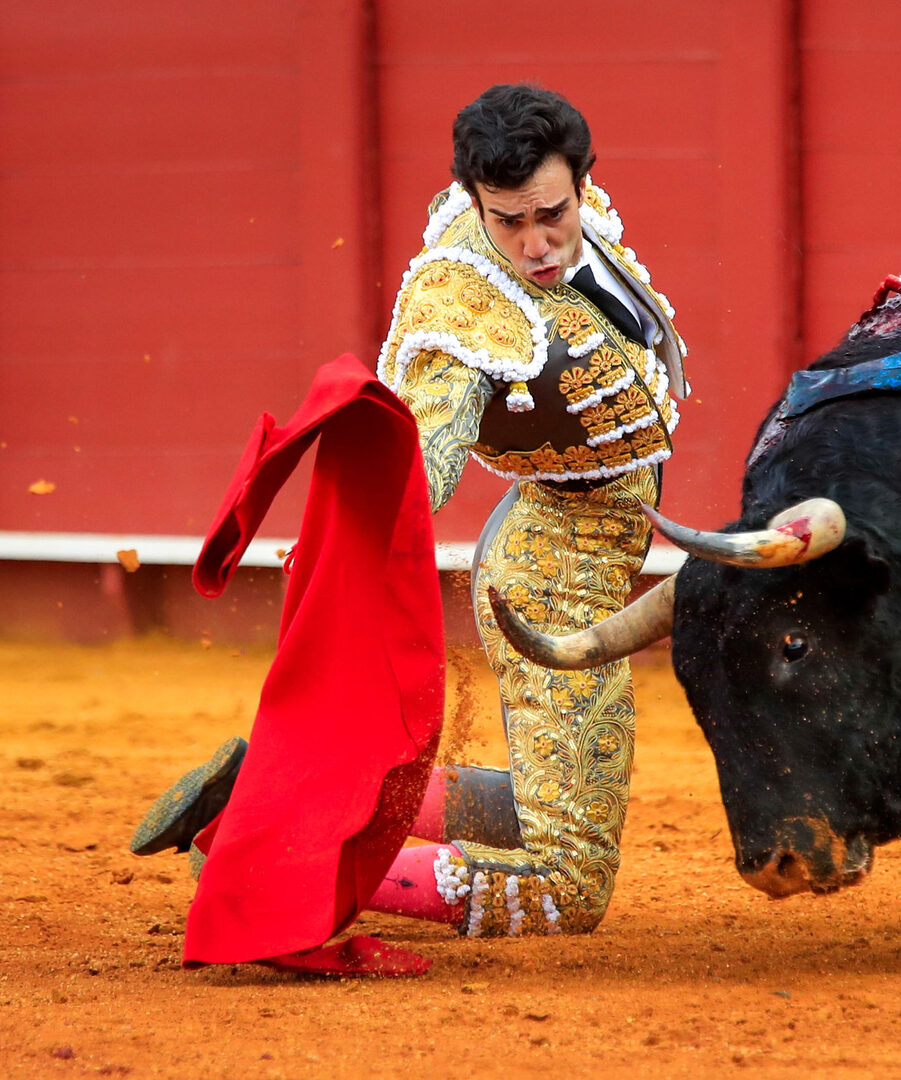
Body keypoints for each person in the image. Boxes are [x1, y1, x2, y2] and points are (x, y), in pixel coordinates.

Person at [134, 83, 689, 947]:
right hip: (554, 580)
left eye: (552, 214)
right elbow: (426, 444)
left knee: (547, 798)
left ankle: (268, 795)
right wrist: (363, 535)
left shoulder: (566, 218)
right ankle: (279, 853)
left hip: (583, 536)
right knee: (566, 885)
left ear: (583, 182)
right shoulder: (462, 307)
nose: (535, 245)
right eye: (508, 222)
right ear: (475, 201)